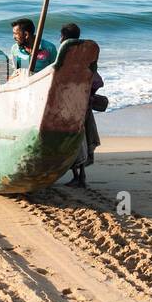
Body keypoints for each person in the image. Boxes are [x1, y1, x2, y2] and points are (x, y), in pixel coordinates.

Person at [59, 23, 103, 187]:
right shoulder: (87, 54)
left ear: (63, 37)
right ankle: (81, 175)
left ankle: (78, 176)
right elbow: (95, 79)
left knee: (73, 139)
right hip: (84, 102)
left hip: (70, 103)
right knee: (83, 137)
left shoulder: (66, 54)